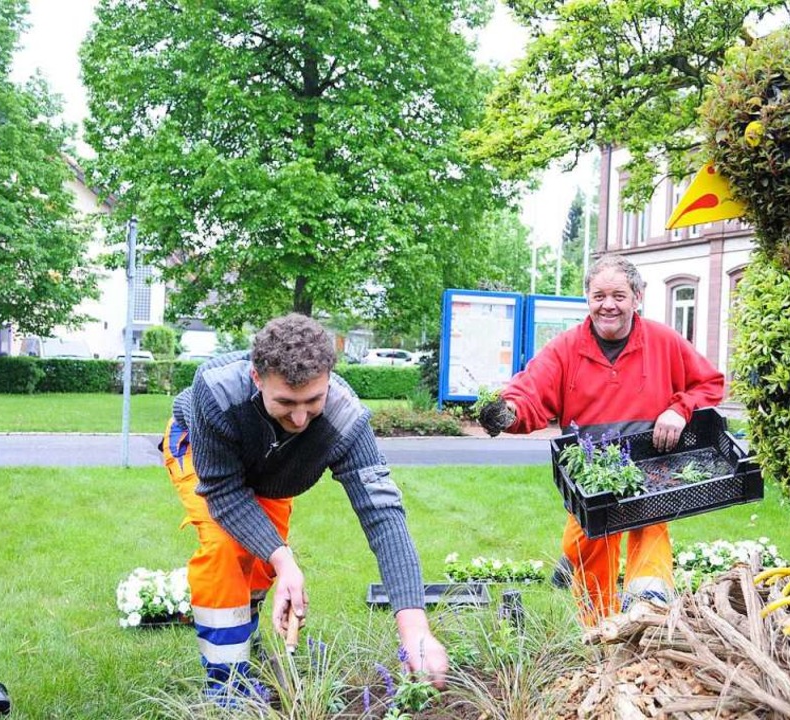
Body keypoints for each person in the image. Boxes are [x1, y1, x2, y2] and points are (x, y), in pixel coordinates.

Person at [162, 313, 447, 703]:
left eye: (313, 400)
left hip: (276, 470)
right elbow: (224, 493)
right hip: (205, 454)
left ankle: (247, 640)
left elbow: (383, 515)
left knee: (260, 561)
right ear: (256, 378)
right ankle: (227, 690)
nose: (299, 418)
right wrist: (285, 558)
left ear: (329, 378)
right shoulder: (216, 390)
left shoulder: (346, 420)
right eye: (286, 402)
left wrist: (415, 629)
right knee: (227, 548)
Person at [479, 254, 724, 625]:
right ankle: (599, 631)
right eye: (599, 296)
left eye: (619, 296)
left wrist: (679, 408)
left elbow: (709, 383)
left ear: (637, 297)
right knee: (589, 543)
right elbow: (530, 391)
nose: (608, 305)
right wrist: (509, 412)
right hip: (591, 475)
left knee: (650, 529)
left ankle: (649, 614)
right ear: (587, 298)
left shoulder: (663, 342)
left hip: (653, 468)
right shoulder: (565, 349)